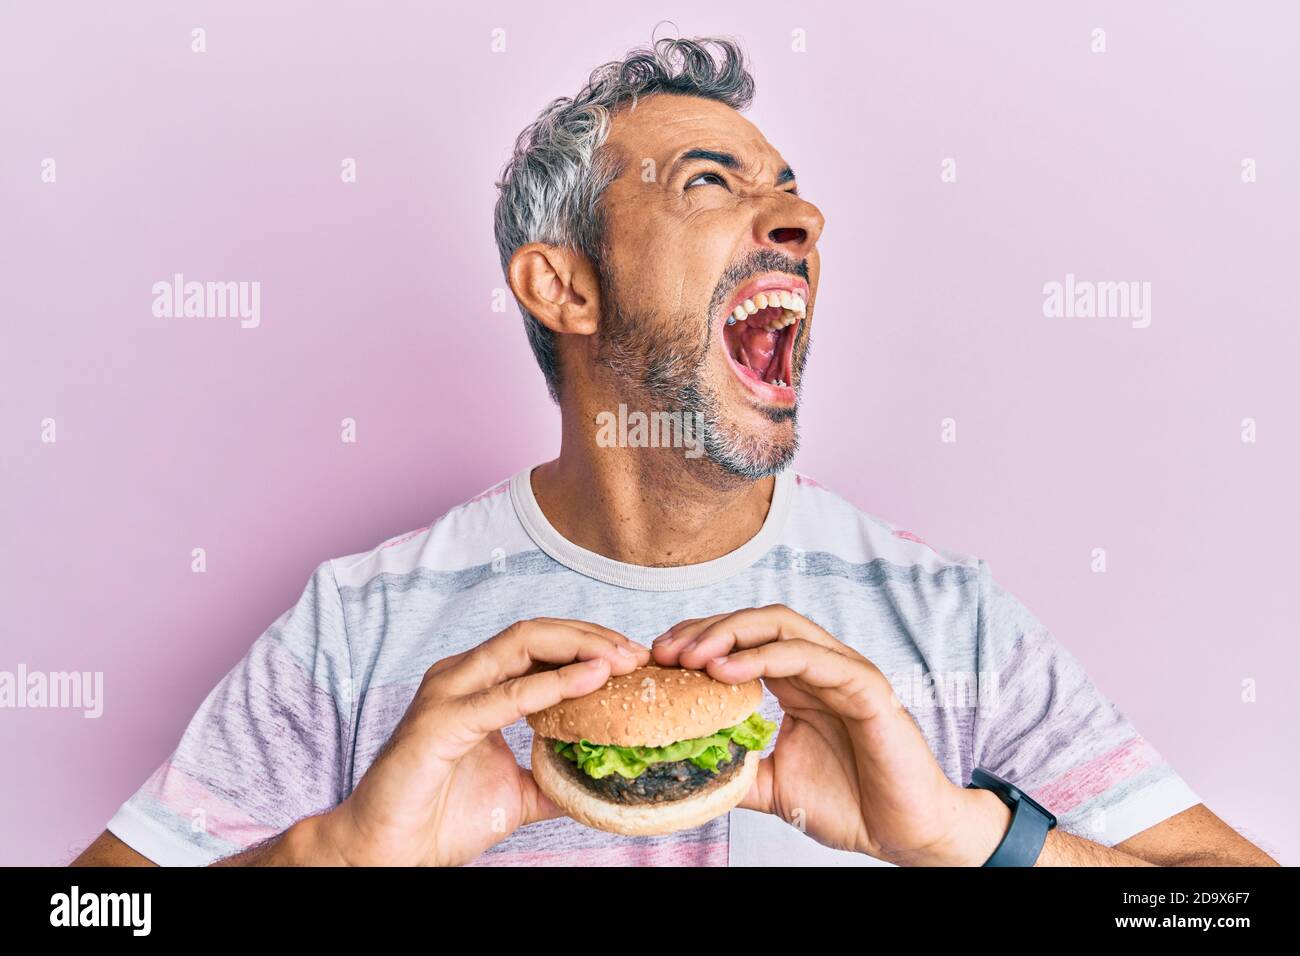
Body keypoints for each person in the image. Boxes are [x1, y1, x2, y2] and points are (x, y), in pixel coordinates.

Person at [74, 36, 1275, 867]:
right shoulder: (360, 623)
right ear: (564, 284)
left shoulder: (944, 619)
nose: (802, 222)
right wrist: (333, 854)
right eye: (710, 183)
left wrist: (973, 838)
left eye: (793, 195)